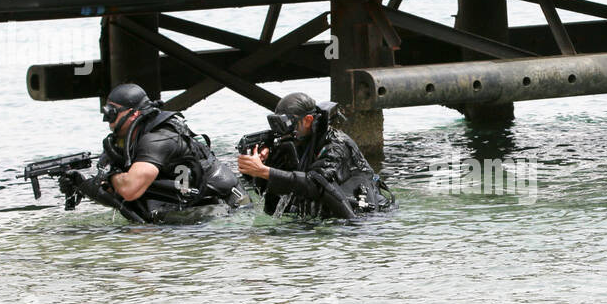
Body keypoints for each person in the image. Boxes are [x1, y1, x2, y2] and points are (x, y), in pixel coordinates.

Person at [62, 83, 245, 223]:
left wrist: (109, 176)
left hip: (228, 208)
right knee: (144, 218)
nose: (107, 119)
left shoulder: (158, 139)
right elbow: (118, 193)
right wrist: (82, 184)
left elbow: (129, 189)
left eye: (112, 112)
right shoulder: (132, 139)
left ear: (133, 114)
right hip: (197, 202)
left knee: (145, 227)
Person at [236, 92, 394, 220]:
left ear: (308, 120)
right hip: (321, 217)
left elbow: (315, 185)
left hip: (369, 218)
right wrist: (261, 165)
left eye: (288, 124)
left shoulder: (336, 145)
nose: (285, 132)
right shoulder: (297, 141)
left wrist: (263, 171)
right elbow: (265, 189)